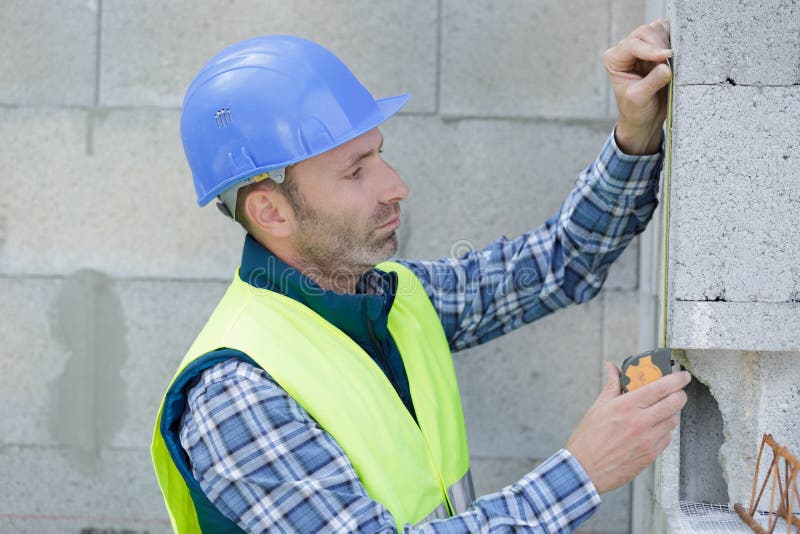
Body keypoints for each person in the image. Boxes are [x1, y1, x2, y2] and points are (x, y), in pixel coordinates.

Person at [152, 21, 690, 533]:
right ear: (272, 213)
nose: (396, 186)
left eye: (379, 155)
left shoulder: (395, 295)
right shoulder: (237, 395)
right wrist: (584, 471)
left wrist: (636, 128)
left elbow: (559, 261)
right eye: (355, 170)